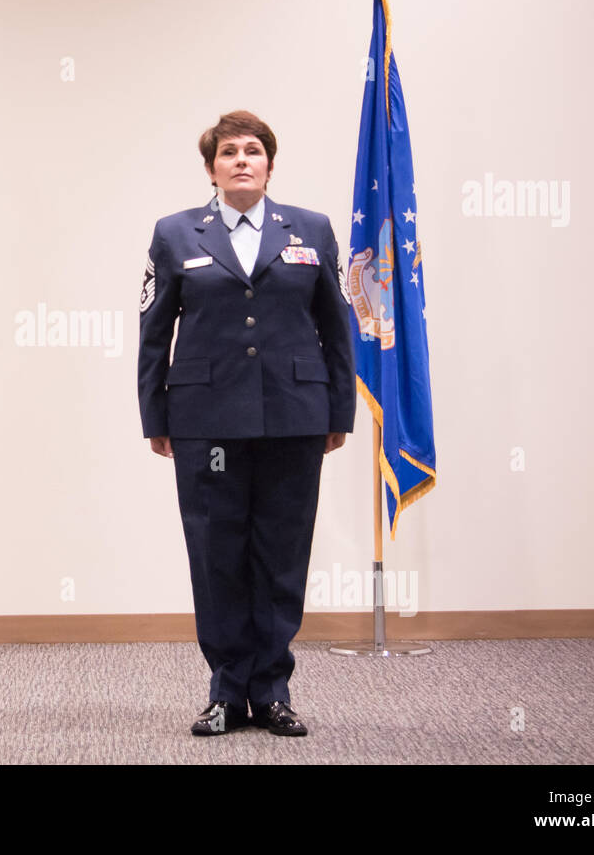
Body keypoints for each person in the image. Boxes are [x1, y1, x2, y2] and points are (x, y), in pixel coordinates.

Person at [137, 110, 354, 737]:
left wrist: (337, 411)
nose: (241, 159)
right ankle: (227, 690)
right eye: (228, 151)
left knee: (282, 554)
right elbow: (155, 332)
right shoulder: (175, 234)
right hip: (207, 422)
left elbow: (337, 328)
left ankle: (274, 690)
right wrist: (156, 415)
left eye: (252, 150)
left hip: (294, 418)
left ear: (269, 164)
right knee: (216, 553)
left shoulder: (310, 229)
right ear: (211, 169)